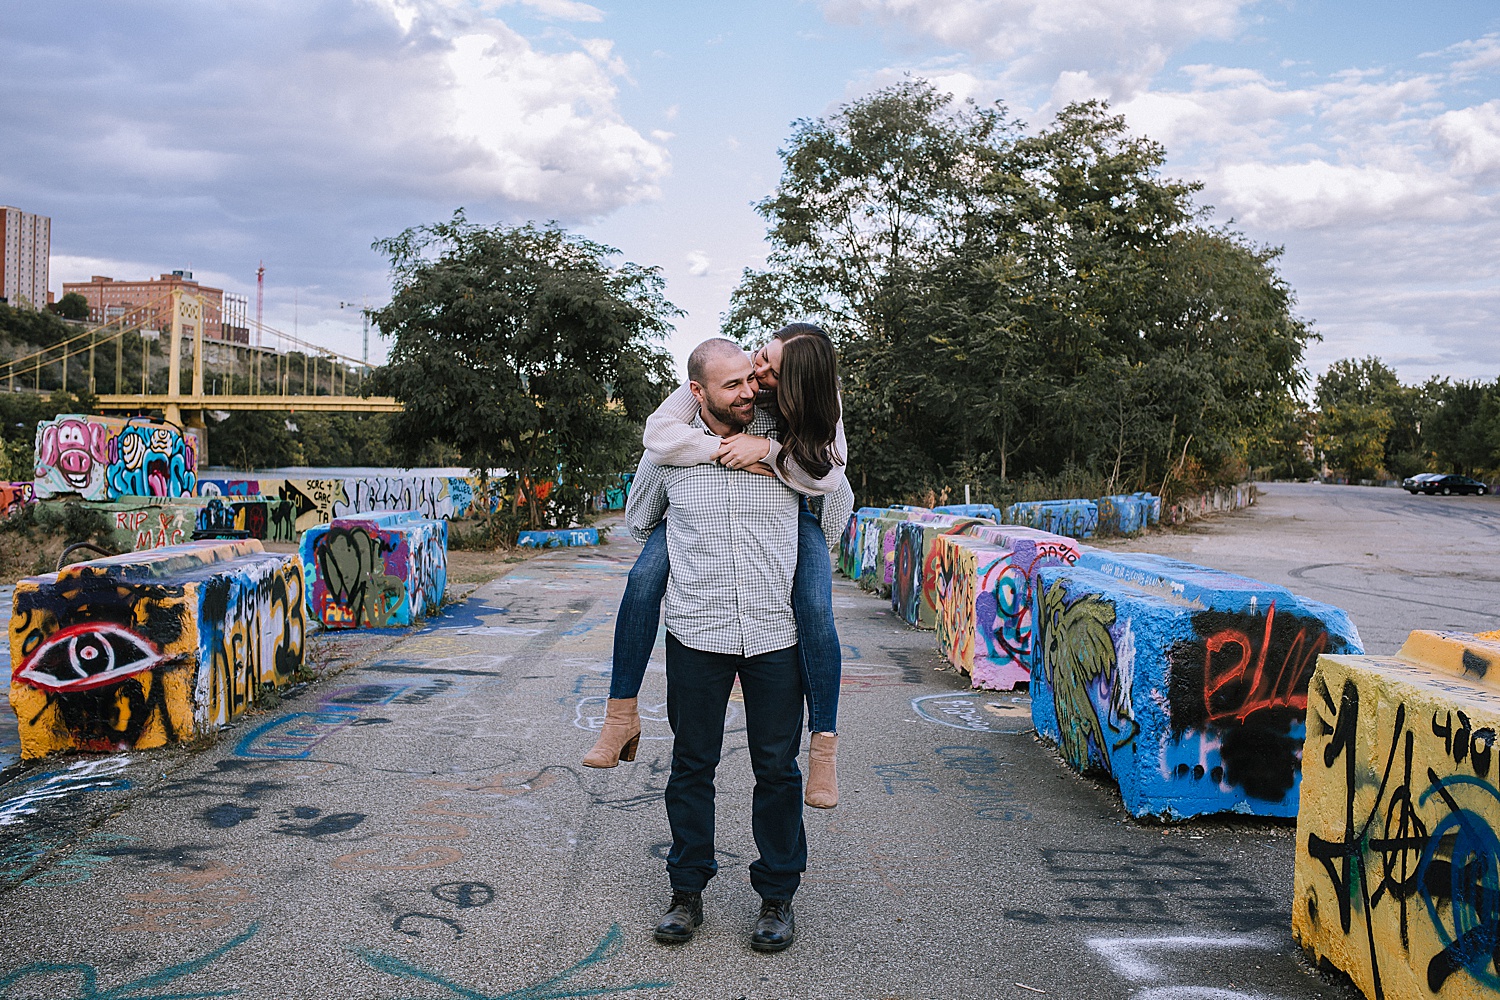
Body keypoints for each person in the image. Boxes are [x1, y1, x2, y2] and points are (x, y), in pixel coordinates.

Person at [624, 338, 849, 951]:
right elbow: (637, 514)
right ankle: (686, 890)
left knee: (776, 769)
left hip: (775, 631)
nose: (752, 388)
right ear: (700, 393)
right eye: (737, 383)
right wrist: (698, 463)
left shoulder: (795, 437)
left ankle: (777, 896)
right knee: (691, 764)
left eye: (758, 378)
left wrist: (774, 458)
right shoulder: (674, 439)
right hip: (698, 628)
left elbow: (834, 502)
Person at [584, 323, 852, 810]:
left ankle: (824, 746)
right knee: (642, 580)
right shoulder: (708, 389)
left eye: (769, 371)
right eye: (759, 359)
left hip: (802, 513)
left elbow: (833, 478)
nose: (758, 375)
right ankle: (620, 713)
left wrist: (770, 453)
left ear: (795, 383)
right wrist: (721, 452)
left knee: (815, 605)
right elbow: (659, 437)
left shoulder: (806, 406)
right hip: (690, 521)